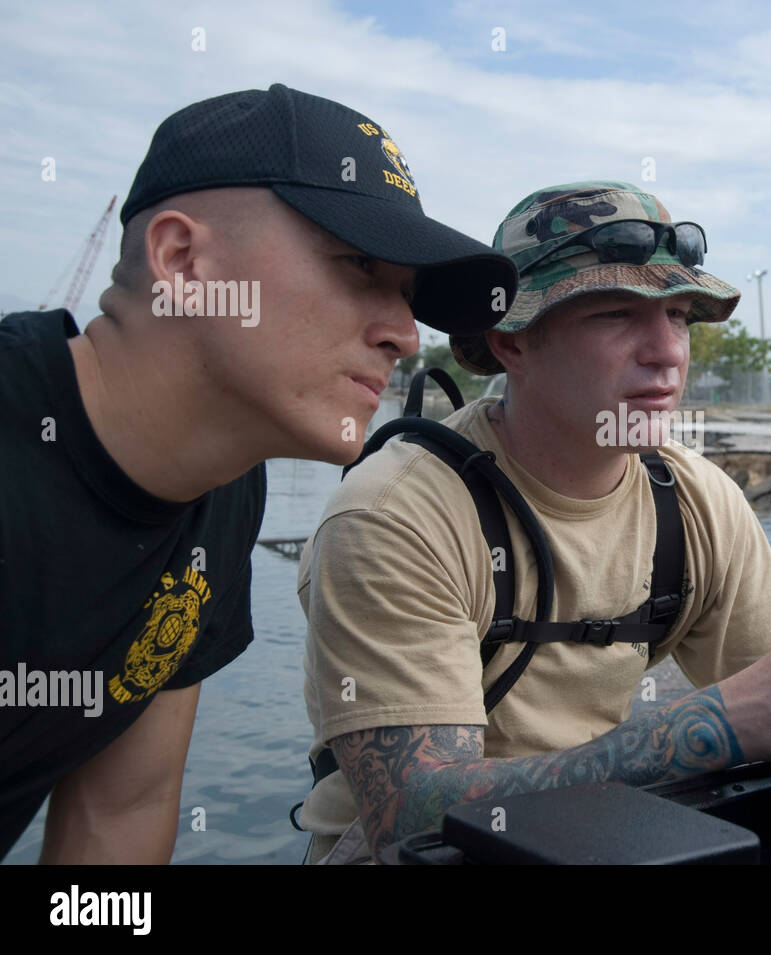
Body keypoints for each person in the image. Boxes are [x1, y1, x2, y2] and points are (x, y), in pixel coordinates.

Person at [296, 180, 771, 863]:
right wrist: (706, 726)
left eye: (679, 315)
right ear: (511, 340)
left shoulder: (692, 498)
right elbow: (412, 814)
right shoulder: (398, 516)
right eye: (615, 314)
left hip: (606, 834)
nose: (667, 352)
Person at [0, 83, 517, 863]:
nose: (407, 336)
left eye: (408, 295)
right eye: (358, 266)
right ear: (181, 259)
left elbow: (117, 815)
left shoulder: (221, 486)